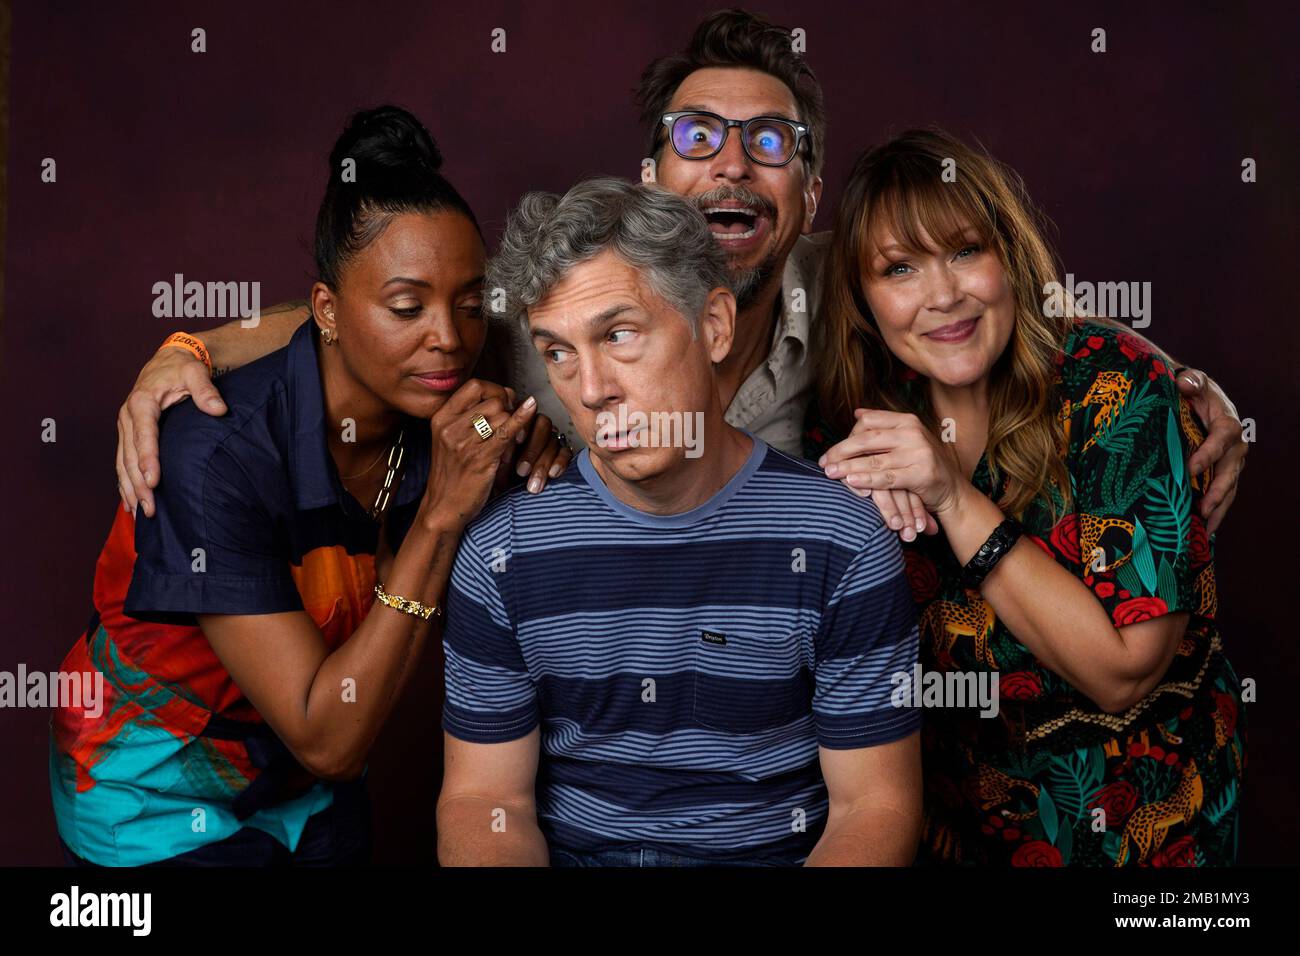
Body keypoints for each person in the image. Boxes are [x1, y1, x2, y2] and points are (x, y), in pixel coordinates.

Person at [110, 10, 1248, 536]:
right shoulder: (570, 295)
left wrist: (1175, 365)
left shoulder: (849, 279)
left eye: (769, 141)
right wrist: (188, 347)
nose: (733, 163)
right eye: (696, 136)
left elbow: (998, 299)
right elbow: (381, 319)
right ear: (649, 178)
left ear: (807, 193)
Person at [49, 105, 555, 866]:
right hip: (150, 794)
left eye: (468, 302)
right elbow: (331, 738)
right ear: (326, 310)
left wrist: (529, 454)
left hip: (299, 790)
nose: (448, 337)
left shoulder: (444, 396)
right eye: (407, 307)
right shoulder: (207, 453)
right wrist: (442, 518)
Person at [436, 177, 922, 867]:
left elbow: (874, 807)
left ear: (715, 325)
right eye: (558, 352)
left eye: (620, 334)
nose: (592, 388)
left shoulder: (841, 540)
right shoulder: (502, 556)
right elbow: (486, 803)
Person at [807, 129, 1246, 865]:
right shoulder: (858, 417)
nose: (943, 295)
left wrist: (950, 495)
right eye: (900, 269)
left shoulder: (1113, 387)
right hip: (952, 827)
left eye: (966, 251)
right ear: (863, 298)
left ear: (1009, 255)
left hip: (1141, 829)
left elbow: (1123, 670)